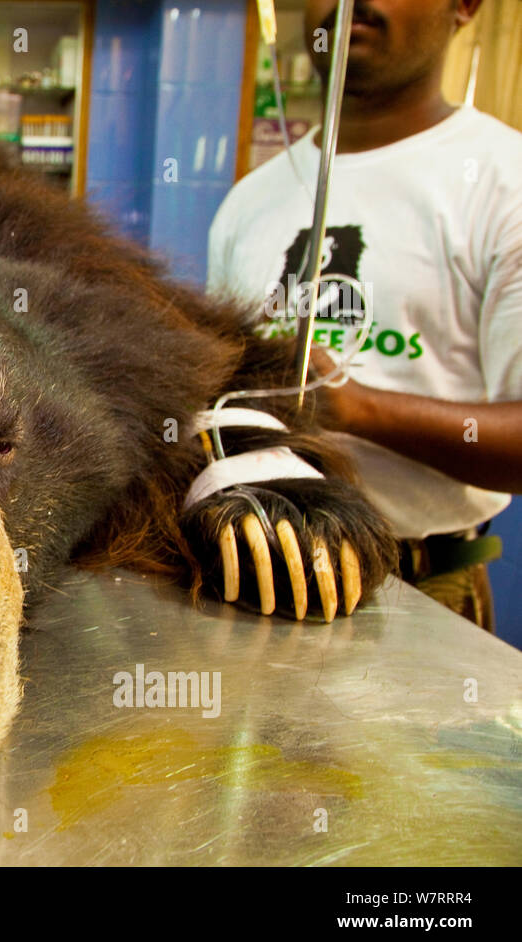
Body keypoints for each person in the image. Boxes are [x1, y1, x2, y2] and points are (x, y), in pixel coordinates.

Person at [207, 0, 522, 630]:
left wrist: (356, 408)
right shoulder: (250, 200)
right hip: (254, 581)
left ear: (465, 7)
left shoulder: (503, 182)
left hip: (420, 590)